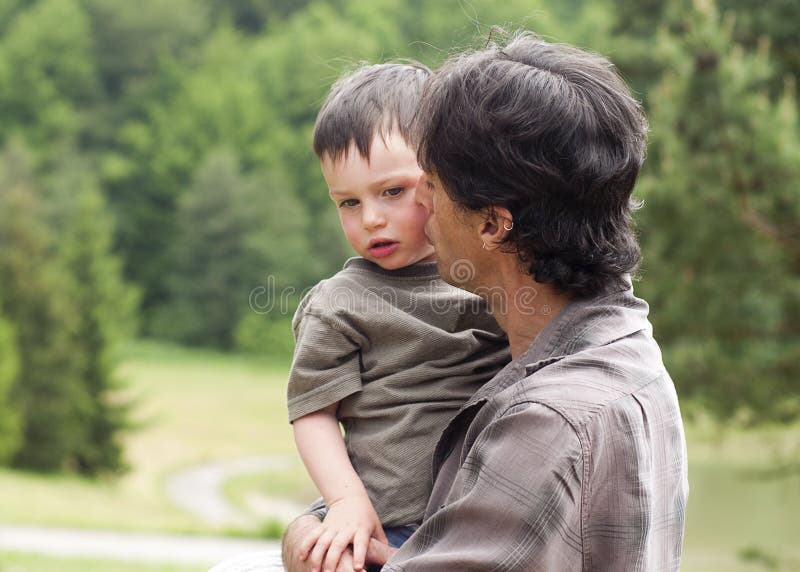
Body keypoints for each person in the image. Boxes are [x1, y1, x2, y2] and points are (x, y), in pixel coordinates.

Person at [281, 31, 689, 572]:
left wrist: (304, 539)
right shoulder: (623, 343)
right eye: (349, 202)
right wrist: (333, 509)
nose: (415, 205)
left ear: (494, 223)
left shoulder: (549, 422)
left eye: (428, 185)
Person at [287, 62, 510, 572]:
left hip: (483, 526)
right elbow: (313, 412)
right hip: (383, 521)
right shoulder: (340, 303)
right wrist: (345, 501)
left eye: (392, 192)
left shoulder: (490, 277)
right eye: (348, 202)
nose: (370, 219)